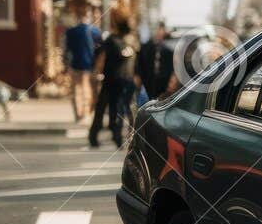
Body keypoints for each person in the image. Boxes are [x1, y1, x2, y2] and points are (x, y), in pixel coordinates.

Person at [88, 15, 138, 149]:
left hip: (117, 81)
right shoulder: (114, 41)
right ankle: (103, 136)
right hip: (114, 80)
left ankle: (111, 137)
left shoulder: (119, 41)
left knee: (112, 110)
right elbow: (118, 55)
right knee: (110, 109)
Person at [62, 9, 100, 122]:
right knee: (87, 89)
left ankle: (78, 114)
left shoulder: (70, 32)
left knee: (76, 90)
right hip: (90, 66)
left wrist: (65, 64)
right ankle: (86, 113)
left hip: (74, 64)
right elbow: (100, 50)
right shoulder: (95, 32)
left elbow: (66, 49)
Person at [135, 22, 177, 103]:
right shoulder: (145, 47)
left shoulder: (168, 49)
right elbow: (139, 63)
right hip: (148, 80)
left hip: (163, 82)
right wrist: (137, 76)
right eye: (158, 30)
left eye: (161, 30)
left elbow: (171, 67)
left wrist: (171, 80)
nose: (159, 33)